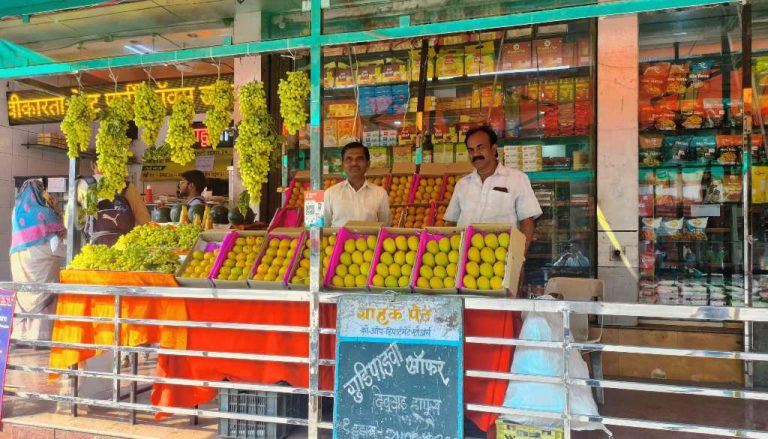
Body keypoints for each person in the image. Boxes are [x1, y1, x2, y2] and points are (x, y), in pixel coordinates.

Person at [445, 125, 542, 254]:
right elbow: (451, 223)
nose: (475, 154)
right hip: (466, 261)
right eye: (471, 150)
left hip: (503, 260)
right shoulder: (462, 184)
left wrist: (519, 258)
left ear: (494, 148)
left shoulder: (517, 179)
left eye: (480, 147)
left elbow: (527, 222)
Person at [10, 179, 66, 341]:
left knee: (25, 294)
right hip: (41, 261)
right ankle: (40, 336)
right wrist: (55, 208)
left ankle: (22, 334)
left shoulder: (16, 211)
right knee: (42, 293)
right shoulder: (46, 213)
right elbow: (58, 236)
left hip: (19, 259)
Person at [68, 160, 150, 246]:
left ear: (93, 165)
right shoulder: (126, 186)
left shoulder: (82, 185)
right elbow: (144, 220)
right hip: (124, 247)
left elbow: (70, 222)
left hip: (93, 248)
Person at [323, 142, 391, 227]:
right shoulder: (330, 194)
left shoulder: (380, 193)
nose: (354, 163)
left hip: (370, 240)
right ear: (343, 165)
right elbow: (324, 227)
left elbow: (385, 226)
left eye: (359, 159)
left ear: (368, 164)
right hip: (339, 240)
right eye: (349, 159)